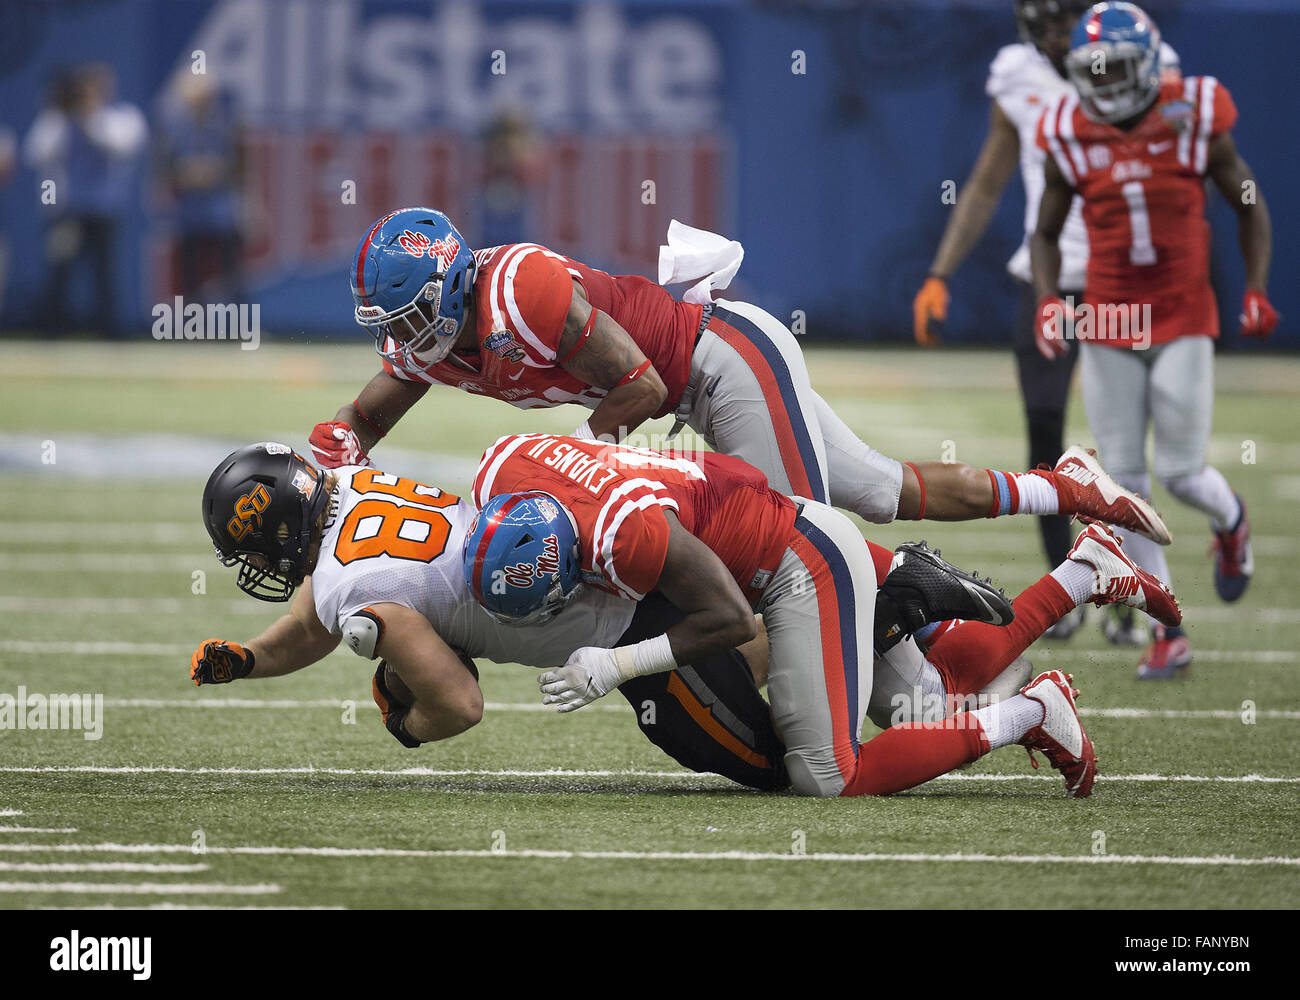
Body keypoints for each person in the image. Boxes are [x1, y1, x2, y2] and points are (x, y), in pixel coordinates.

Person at [307, 209, 1171, 549]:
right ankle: (1065, 489)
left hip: (721, 361)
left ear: (454, 284)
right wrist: (321, 464)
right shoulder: (431, 339)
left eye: (411, 313)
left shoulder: (520, 291)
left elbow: (640, 386)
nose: (402, 338)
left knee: (801, 544)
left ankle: (942, 644)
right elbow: (362, 418)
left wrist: (567, 456)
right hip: (702, 381)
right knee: (878, 489)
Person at [190, 442, 1016, 791]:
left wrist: (406, 730)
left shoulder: (343, 589)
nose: (260, 570)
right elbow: (320, 608)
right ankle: (861, 607)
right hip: (606, 558)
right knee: (739, 662)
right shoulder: (354, 489)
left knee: (787, 773)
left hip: (627, 623)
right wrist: (255, 660)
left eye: (254, 550)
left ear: (278, 531)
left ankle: (887, 607)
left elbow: (459, 705)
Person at [465, 432, 1181, 797]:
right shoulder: (499, 471)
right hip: (768, 528)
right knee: (924, 705)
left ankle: (1030, 710)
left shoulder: (627, 535)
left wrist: (616, 663)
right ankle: (1084, 570)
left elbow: (727, 622)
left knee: (826, 774)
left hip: (797, 566)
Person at [912, 0, 1180, 641]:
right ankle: (1069, 581)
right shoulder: (1018, 75)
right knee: (1042, 427)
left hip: (1123, 279)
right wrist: (940, 273)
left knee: (1123, 447)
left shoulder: (1147, 63)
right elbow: (986, 181)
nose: (1059, 36)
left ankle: (1132, 599)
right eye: (1050, 23)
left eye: (1069, 20)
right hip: (1048, 277)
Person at [1030, 2, 1277, 677]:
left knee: (1181, 473)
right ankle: (1169, 629)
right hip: (1111, 316)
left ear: (1149, 62)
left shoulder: (1192, 110)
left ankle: (1229, 521)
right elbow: (1045, 232)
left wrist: (1255, 286)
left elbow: (1248, 199)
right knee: (1127, 483)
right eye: (1095, 73)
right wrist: (1050, 301)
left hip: (1181, 312)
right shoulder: (1068, 130)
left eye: (1119, 70)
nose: (1106, 86)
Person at [23, 64, 147, 337]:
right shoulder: (58, 120)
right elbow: (35, 152)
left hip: (104, 209)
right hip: (67, 210)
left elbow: (117, 143)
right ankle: (52, 329)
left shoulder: (122, 117)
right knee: (61, 268)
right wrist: (57, 112)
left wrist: (89, 116)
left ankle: (108, 330)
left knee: (104, 272)